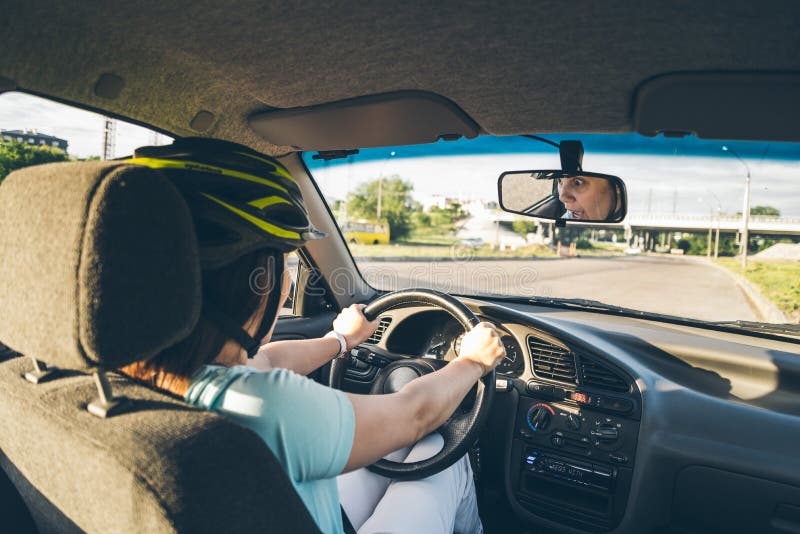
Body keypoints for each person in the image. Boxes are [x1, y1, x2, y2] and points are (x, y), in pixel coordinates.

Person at [119, 138, 506, 534]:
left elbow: (268, 359)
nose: (286, 287)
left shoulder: (113, 380)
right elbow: (416, 414)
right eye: (282, 266)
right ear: (246, 285)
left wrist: (341, 341)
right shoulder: (263, 405)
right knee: (442, 453)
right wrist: (473, 362)